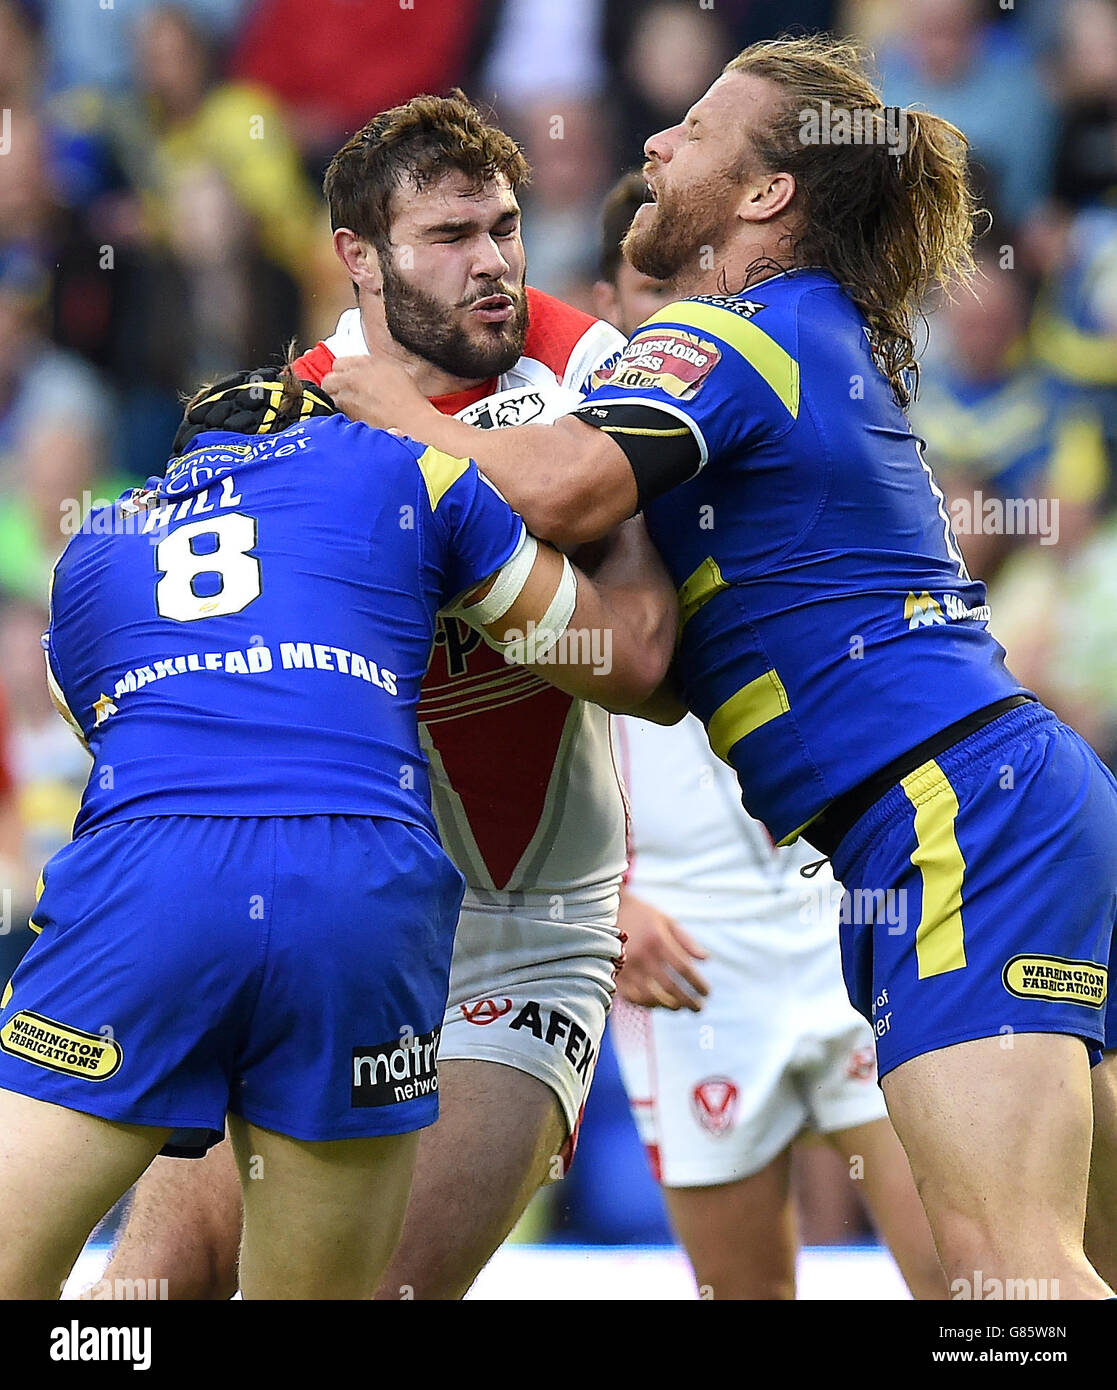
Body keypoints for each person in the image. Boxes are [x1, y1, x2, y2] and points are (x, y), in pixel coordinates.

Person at [326, 35, 1117, 1298]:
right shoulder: (797, 330)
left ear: (762, 197)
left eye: (690, 131)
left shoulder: (737, 335)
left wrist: (391, 408)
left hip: (948, 819)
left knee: (1001, 1276)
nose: (653, 142)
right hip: (982, 808)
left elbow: (570, 483)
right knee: (1065, 1264)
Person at [95, 93, 648, 1302]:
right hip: (325, 908)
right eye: (451, 236)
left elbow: (647, 660)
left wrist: (455, 505)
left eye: (505, 226)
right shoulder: (281, 413)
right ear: (358, 257)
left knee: (377, 1286)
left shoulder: (588, 371)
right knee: (158, 1276)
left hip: (528, 923)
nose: (493, 261)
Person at [0, 365, 676, 1300]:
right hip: (362, 877)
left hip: (155, 872)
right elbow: (624, 662)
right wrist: (639, 528)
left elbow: (99, 724)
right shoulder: (404, 466)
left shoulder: (93, 545)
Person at [596, 174, 944, 1299]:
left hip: (840, 896)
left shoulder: (801, 424)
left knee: (963, 1278)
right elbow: (507, 715)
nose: (671, 314)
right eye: (647, 288)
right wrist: (597, 903)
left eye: (688, 282)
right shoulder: (563, 485)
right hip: (686, 934)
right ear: (606, 304)